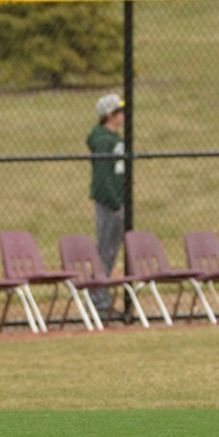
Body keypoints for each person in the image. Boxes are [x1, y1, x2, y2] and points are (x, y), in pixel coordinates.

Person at [86, 93, 126, 319]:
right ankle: (99, 301)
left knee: (111, 253)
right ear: (109, 115)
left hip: (118, 201)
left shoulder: (113, 137)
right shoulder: (102, 140)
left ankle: (102, 298)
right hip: (110, 204)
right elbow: (102, 178)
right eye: (119, 111)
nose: (123, 115)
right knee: (105, 253)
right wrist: (115, 203)